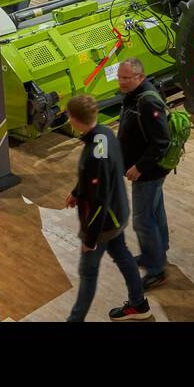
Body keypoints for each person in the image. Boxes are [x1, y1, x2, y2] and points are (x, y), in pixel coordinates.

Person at [64, 95, 151, 321]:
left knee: (88, 273)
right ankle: (139, 303)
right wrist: (77, 191)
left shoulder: (94, 152)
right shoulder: (105, 133)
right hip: (118, 212)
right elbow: (101, 177)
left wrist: (90, 240)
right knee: (122, 255)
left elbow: (98, 199)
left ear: (74, 119)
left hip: (103, 223)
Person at [115, 58, 171, 291]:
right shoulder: (135, 96)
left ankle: (156, 271)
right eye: (120, 77)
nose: (122, 82)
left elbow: (161, 142)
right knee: (155, 211)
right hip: (147, 170)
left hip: (148, 172)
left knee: (141, 221)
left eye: (127, 78)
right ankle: (157, 254)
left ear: (140, 76)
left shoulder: (147, 102)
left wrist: (139, 167)